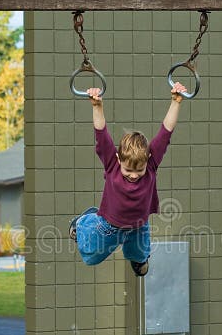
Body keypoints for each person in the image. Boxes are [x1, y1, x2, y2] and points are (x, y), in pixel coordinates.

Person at [69, 82, 188, 277]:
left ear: (148, 160)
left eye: (138, 170)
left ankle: (138, 259)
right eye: (128, 170)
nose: (133, 175)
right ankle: (83, 222)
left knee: (139, 256)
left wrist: (176, 102)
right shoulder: (112, 164)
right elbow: (101, 134)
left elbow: (165, 132)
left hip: (139, 226)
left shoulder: (151, 165)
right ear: (118, 159)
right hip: (109, 225)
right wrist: (97, 106)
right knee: (91, 257)